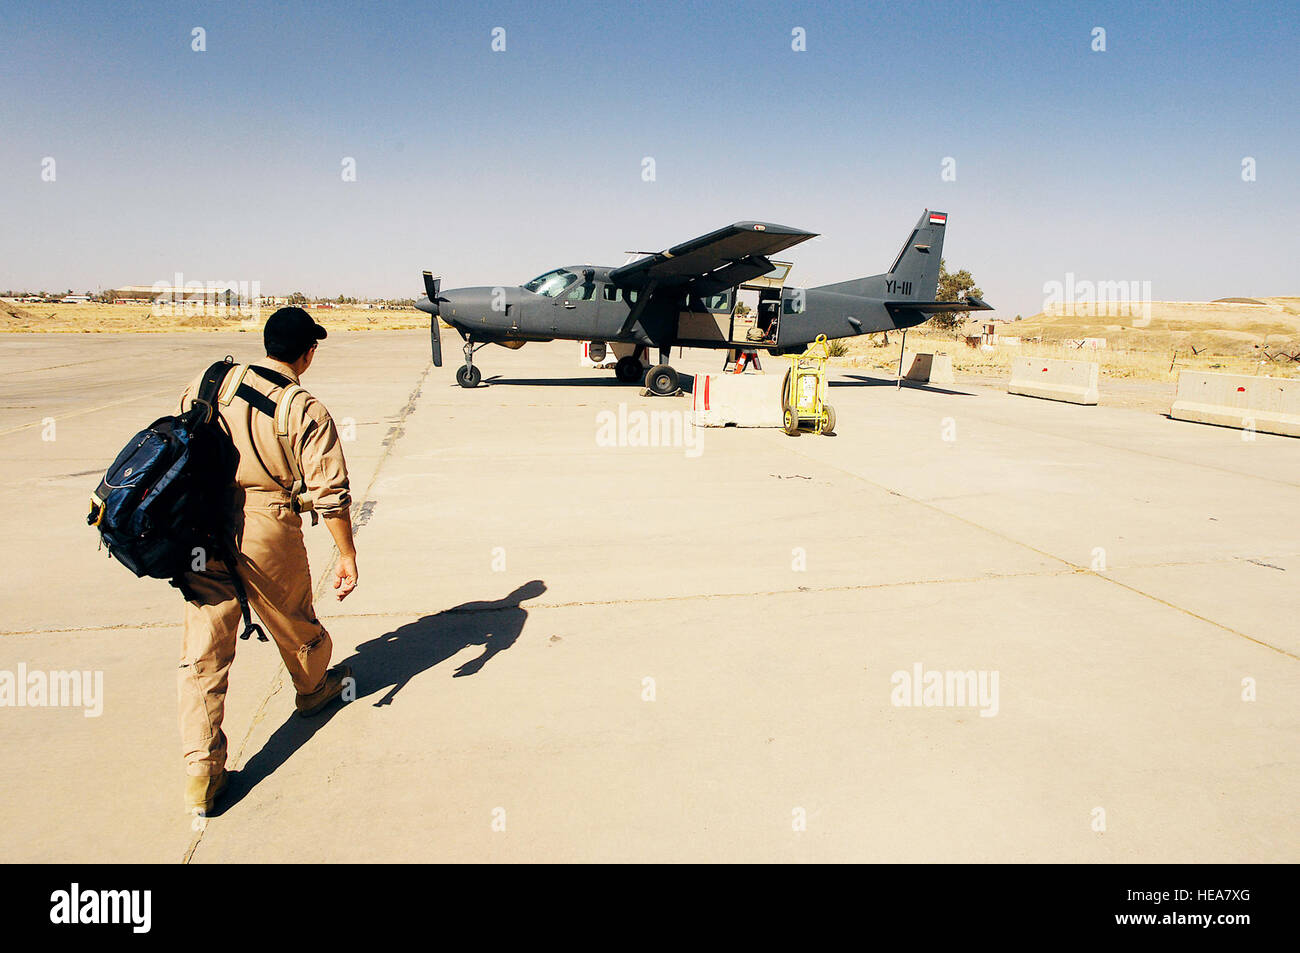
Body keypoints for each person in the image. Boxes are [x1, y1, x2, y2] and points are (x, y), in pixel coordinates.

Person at [175, 307, 358, 816]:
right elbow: (331, 493)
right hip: (265, 525)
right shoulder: (303, 407)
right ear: (308, 353)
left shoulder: (209, 381)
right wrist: (347, 553)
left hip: (201, 526)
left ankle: (201, 774)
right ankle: (313, 688)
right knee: (294, 619)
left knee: (204, 654)